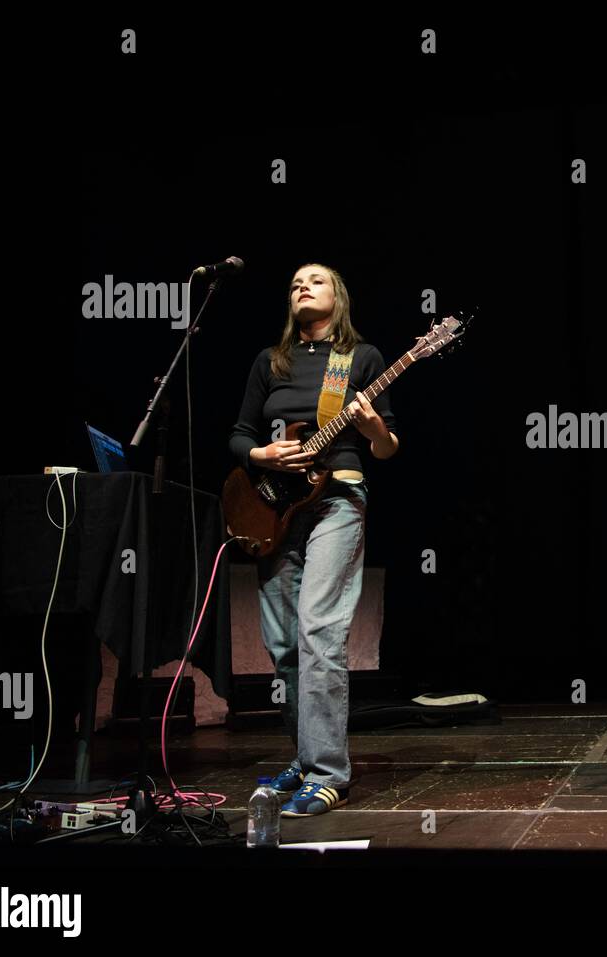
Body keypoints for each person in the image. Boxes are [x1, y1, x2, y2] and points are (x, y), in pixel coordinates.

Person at [229, 263, 398, 817]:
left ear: (337, 297)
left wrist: (372, 427)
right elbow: (240, 434)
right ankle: (305, 759)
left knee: (319, 629)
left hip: (337, 499)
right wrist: (262, 454)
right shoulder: (270, 361)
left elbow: (387, 447)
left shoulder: (360, 359)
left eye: (315, 280)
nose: (302, 286)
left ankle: (329, 773)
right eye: (295, 282)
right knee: (282, 645)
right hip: (275, 508)